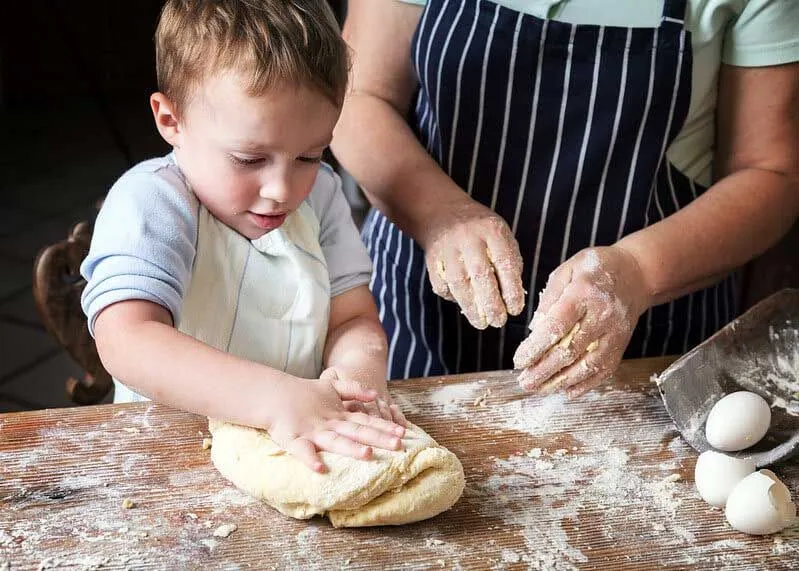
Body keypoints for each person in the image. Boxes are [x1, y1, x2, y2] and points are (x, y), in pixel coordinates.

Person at [331, 0, 799, 397]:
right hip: (420, 312)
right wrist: (439, 214)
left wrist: (638, 271)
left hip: (650, 334)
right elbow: (358, 94)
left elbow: (770, 172)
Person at [80, 0, 406, 474]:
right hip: (167, 466)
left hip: (296, 455)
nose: (282, 190)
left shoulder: (323, 199)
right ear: (171, 120)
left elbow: (352, 318)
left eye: (310, 156)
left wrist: (355, 382)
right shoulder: (151, 201)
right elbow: (127, 339)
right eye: (250, 159)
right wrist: (273, 400)